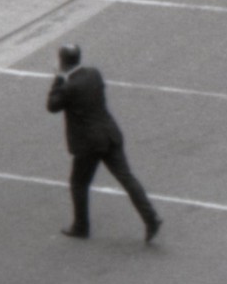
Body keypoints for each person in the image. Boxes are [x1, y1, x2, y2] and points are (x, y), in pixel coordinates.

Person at [47, 44, 162, 242]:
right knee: (126, 177)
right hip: (109, 133)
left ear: (63, 61)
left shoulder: (68, 87)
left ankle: (81, 226)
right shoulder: (94, 74)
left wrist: (58, 78)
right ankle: (151, 218)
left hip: (88, 143)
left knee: (79, 183)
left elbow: (52, 105)